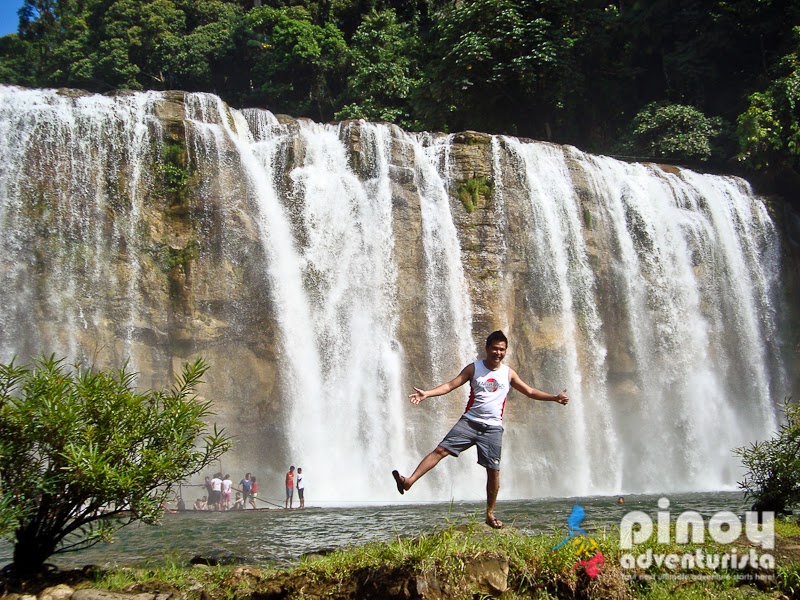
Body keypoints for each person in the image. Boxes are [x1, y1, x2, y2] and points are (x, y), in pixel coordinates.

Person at [391, 330, 569, 529]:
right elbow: (450, 385)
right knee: (441, 450)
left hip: (493, 428)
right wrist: (427, 394)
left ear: (505, 351)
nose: (498, 353)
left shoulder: (508, 373)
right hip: (469, 422)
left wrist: (554, 397)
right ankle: (409, 481)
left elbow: (529, 391)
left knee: (493, 472)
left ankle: (490, 514)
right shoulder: (474, 368)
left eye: (502, 349)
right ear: (486, 348)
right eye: (495, 348)